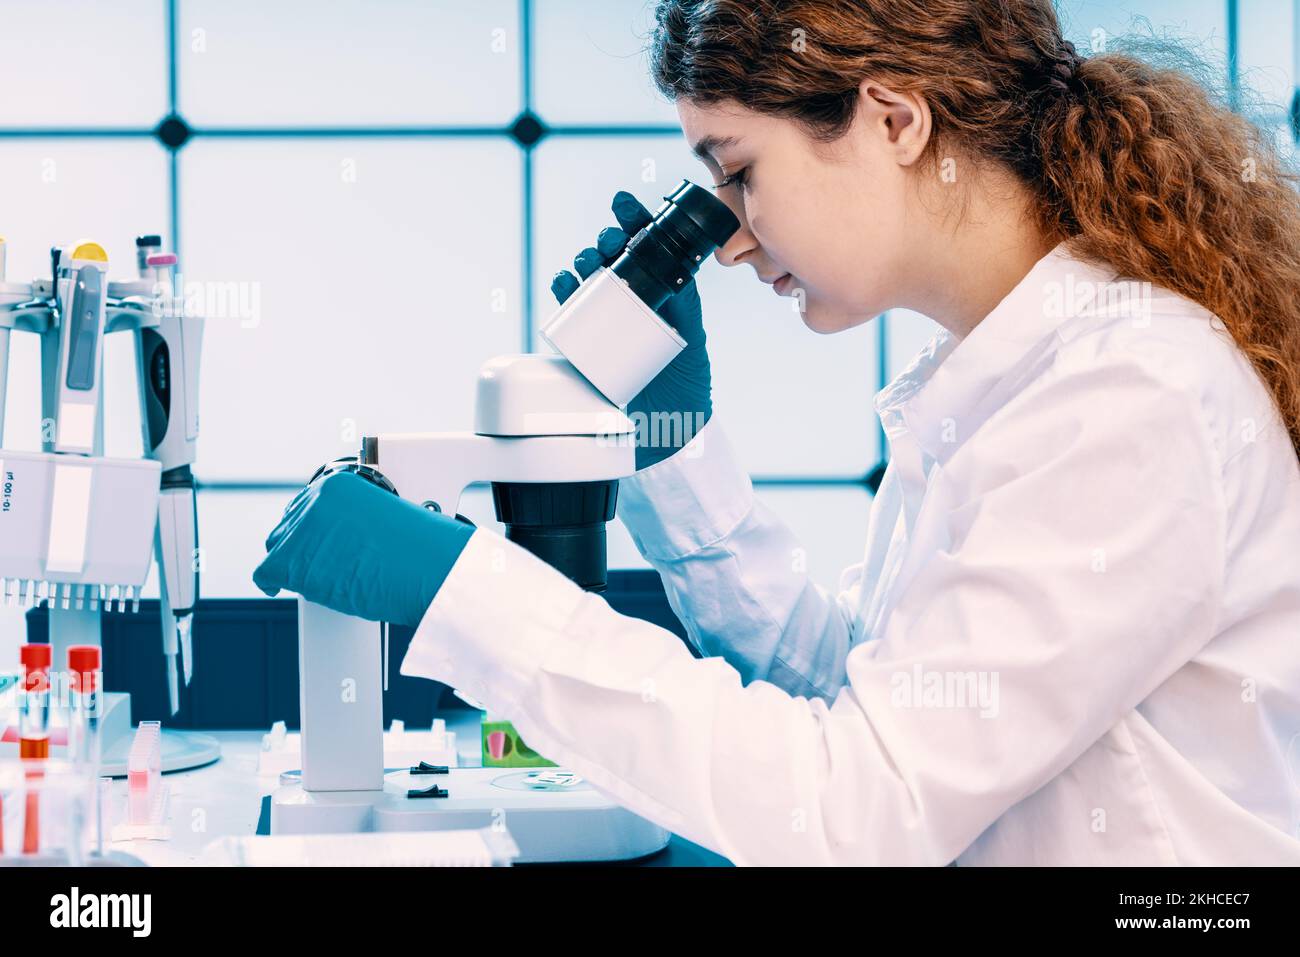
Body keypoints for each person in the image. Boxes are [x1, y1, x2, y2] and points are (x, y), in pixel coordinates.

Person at [253, 0, 1300, 865]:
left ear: (894, 122)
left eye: (740, 169)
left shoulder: (1129, 391)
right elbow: (864, 697)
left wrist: (464, 593)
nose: (730, 237)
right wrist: (674, 445)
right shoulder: (1007, 379)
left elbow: (859, 809)